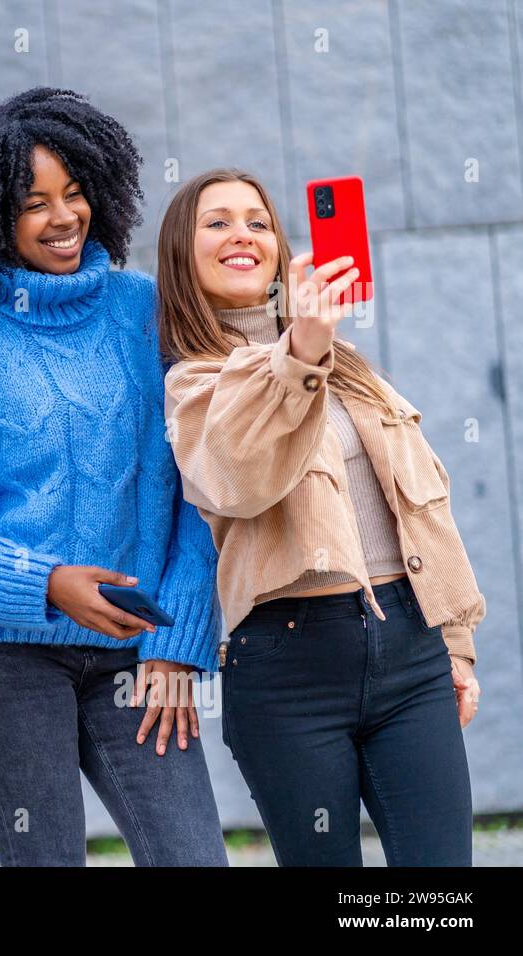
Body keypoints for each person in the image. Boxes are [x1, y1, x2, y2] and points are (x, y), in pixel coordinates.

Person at [0, 87, 227, 866]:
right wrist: (46, 583)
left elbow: (199, 490)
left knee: (193, 856)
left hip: (135, 651)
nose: (64, 217)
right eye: (34, 203)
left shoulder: (146, 310)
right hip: (3, 660)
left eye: (75, 193)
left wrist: (177, 640)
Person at [156, 167, 483, 866]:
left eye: (258, 221)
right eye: (216, 222)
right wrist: (301, 348)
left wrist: (454, 641)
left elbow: (423, 502)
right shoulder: (196, 381)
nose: (242, 234)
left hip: (410, 649)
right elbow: (239, 477)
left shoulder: (348, 365)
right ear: (182, 258)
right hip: (286, 667)